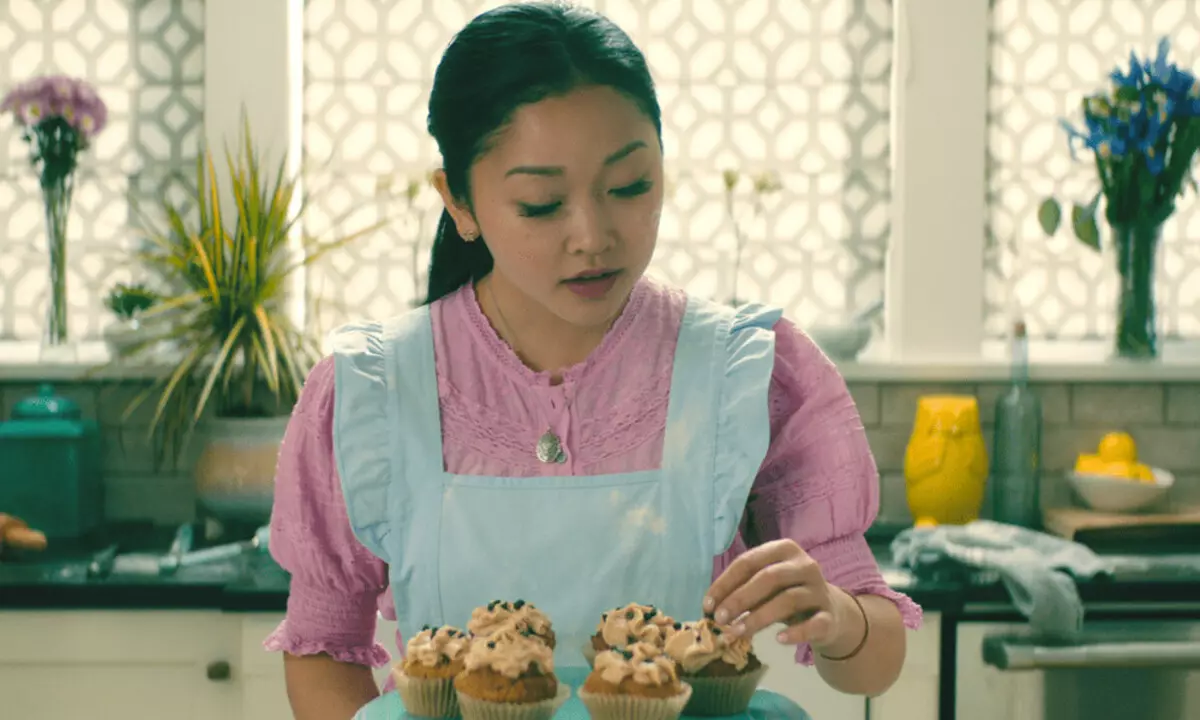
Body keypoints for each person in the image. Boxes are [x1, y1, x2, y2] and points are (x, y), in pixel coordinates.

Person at [265, 3, 922, 717]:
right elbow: (324, 647)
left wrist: (836, 615)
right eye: (542, 204)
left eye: (630, 186)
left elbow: (873, 665)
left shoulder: (747, 372)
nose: (593, 235)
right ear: (459, 200)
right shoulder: (374, 388)